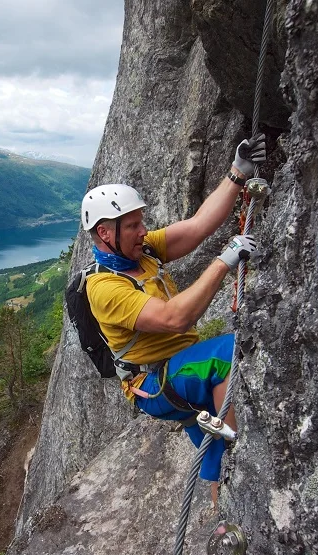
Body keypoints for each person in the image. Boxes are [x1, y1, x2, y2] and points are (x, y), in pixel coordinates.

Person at [82, 134, 266, 508]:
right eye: (133, 225)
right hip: (155, 382)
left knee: (222, 463)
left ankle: (225, 508)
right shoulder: (104, 287)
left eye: (140, 223)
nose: (143, 231)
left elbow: (198, 226)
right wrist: (224, 261)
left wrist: (237, 174)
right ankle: (240, 463)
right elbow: (174, 317)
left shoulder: (144, 251)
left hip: (178, 372)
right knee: (227, 353)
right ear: (106, 233)